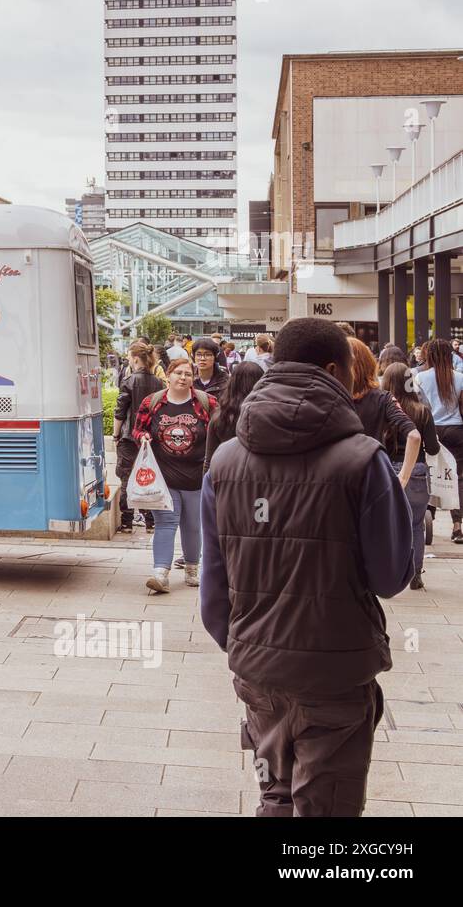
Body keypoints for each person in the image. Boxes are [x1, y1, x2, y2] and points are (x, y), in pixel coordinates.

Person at [201, 317, 413, 816]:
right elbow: (390, 576)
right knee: (328, 808)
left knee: (273, 795)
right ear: (335, 370)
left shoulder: (226, 462)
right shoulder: (364, 461)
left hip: (259, 677)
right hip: (336, 674)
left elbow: (214, 592)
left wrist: (247, 645)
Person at [131, 357, 217, 594]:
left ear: (193, 378)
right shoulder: (153, 403)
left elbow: (220, 431)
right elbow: (137, 428)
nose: (183, 377)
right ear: (167, 375)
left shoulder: (206, 402)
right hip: (164, 476)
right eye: (178, 373)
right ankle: (160, 573)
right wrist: (142, 437)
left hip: (198, 476)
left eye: (188, 374)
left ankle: (192, 568)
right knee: (165, 524)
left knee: (192, 525)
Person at [381, 362, 437, 591]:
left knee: (386, 524)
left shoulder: (382, 408)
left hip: (386, 470)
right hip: (416, 472)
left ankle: (388, 572)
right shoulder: (422, 410)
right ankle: (415, 574)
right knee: (416, 524)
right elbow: (432, 448)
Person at [347, 338, 420, 487]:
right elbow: (414, 436)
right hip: (373, 475)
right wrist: (403, 478)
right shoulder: (384, 398)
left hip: (340, 479)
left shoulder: (332, 397)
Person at [414, 339, 463, 543]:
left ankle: (428, 519)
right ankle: (458, 525)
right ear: (450, 355)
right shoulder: (460, 377)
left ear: (429, 355)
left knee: (431, 474)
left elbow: (417, 405)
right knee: (458, 477)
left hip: (429, 429)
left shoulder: (418, 377)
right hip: (456, 430)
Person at [114, 341, 165, 534]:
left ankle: (127, 521)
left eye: (129, 358)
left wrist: (116, 434)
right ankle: (150, 521)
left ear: (135, 359)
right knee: (149, 477)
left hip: (128, 438)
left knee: (127, 478)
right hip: (150, 438)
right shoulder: (158, 383)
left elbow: (120, 412)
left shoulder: (128, 381)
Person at [203, 362, 264, 473]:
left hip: (226, 476)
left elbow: (209, 460)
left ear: (232, 383)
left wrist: (208, 486)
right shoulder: (266, 416)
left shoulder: (220, 417)